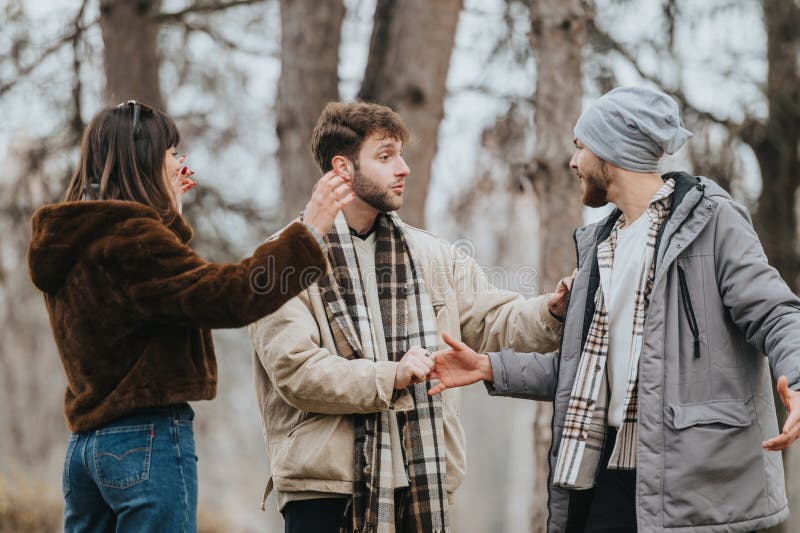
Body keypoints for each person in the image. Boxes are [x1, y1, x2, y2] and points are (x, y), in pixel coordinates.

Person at [428, 86, 800, 533]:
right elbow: (583, 371)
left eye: (580, 147)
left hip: (698, 486)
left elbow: (776, 313)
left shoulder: (713, 221)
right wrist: (489, 366)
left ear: (612, 150)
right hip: (611, 468)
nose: (573, 162)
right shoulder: (601, 247)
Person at [27, 100, 354, 533]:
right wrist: (307, 233)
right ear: (144, 160)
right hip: (143, 440)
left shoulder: (78, 242)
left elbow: (161, 293)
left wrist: (167, 216)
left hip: (86, 451)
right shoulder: (133, 241)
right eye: (170, 152)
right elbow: (228, 294)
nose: (179, 162)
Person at [247, 101, 571, 533]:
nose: (404, 168)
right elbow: (296, 372)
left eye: (401, 154)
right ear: (342, 168)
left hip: (421, 484)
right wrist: (390, 376)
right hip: (325, 494)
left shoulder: (431, 255)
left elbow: (496, 319)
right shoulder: (282, 260)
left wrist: (551, 310)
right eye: (385, 156)